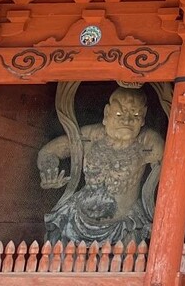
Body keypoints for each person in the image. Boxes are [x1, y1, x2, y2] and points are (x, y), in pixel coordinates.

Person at [37, 86, 165, 243]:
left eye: (135, 115)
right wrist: (49, 169)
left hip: (123, 225)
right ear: (107, 113)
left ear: (143, 117)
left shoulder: (148, 141)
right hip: (75, 218)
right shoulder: (90, 136)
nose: (127, 121)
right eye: (119, 114)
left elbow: (170, 172)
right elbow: (49, 151)